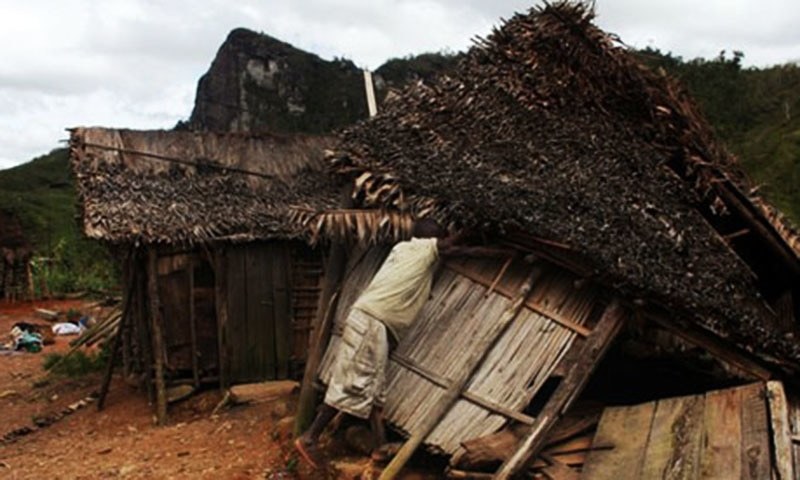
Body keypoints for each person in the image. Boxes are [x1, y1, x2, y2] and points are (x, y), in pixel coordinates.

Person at [295, 218, 511, 469]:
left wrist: (468, 231)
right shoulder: (421, 248)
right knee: (351, 383)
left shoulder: (404, 250)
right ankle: (310, 437)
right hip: (371, 323)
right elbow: (461, 249)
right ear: (431, 237)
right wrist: (502, 253)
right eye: (440, 235)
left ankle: (379, 447)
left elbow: (453, 246)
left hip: (375, 324)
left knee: (376, 390)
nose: (442, 240)